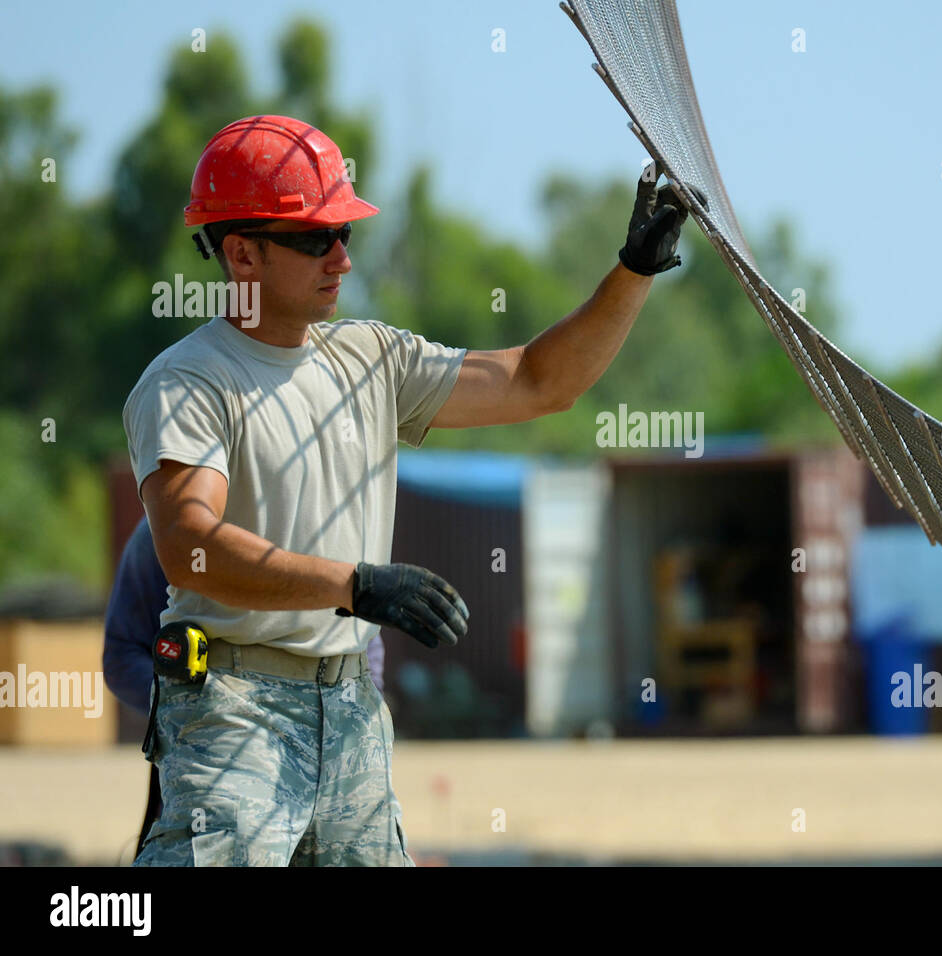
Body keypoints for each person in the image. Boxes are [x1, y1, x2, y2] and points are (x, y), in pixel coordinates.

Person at [123, 114, 697, 866]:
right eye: (313, 238)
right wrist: (354, 586)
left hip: (351, 708)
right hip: (235, 711)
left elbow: (538, 380)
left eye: (345, 235)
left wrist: (634, 271)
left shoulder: (371, 358)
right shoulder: (191, 381)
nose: (340, 258)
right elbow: (192, 549)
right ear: (241, 253)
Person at [101, 514, 385, 858]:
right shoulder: (168, 533)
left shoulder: (330, 527)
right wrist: (199, 703)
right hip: (212, 772)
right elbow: (121, 654)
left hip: (328, 776)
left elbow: (364, 652)